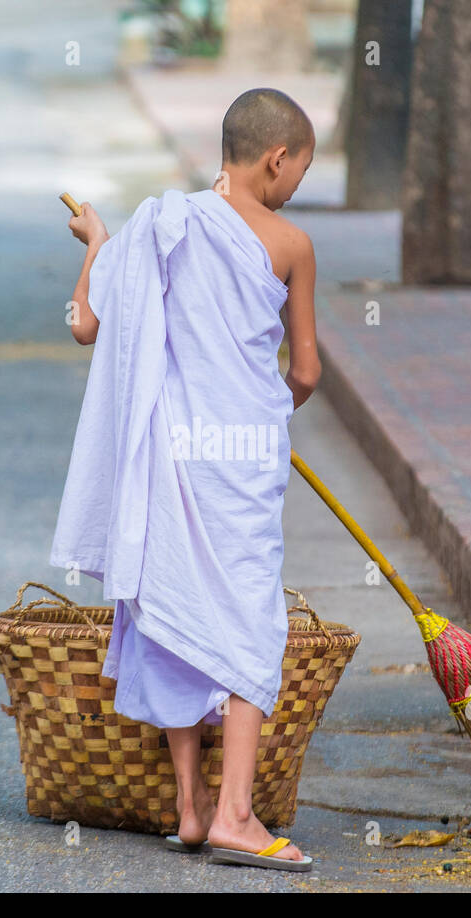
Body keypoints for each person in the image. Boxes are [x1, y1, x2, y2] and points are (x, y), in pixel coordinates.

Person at [51, 88, 321, 870]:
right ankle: (238, 812)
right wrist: (265, 406)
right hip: (239, 460)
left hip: (167, 456)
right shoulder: (291, 246)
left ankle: (192, 808)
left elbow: (88, 327)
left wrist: (97, 242)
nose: (297, 186)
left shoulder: (158, 227)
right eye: (299, 171)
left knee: (169, 602)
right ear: (277, 159)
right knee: (248, 620)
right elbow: (303, 369)